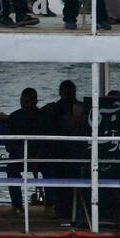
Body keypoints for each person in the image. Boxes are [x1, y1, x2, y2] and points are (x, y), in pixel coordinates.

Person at [41, 80, 86, 220]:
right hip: (58, 152)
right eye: (66, 93)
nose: (69, 95)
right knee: (54, 171)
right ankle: (58, 207)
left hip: (78, 152)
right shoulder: (51, 109)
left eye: (71, 92)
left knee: (76, 174)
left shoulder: (83, 108)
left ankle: (77, 208)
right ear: (60, 93)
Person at [3, 87, 45, 212]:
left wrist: (38, 155)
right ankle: (16, 205)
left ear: (35, 102)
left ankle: (51, 204)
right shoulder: (14, 117)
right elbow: (9, 144)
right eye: (23, 101)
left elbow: (47, 142)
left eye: (28, 102)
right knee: (11, 168)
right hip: (19, 156)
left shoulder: (43, 117)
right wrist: (25, 155)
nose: (25, 105)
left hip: (40, 157)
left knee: (52, 167)